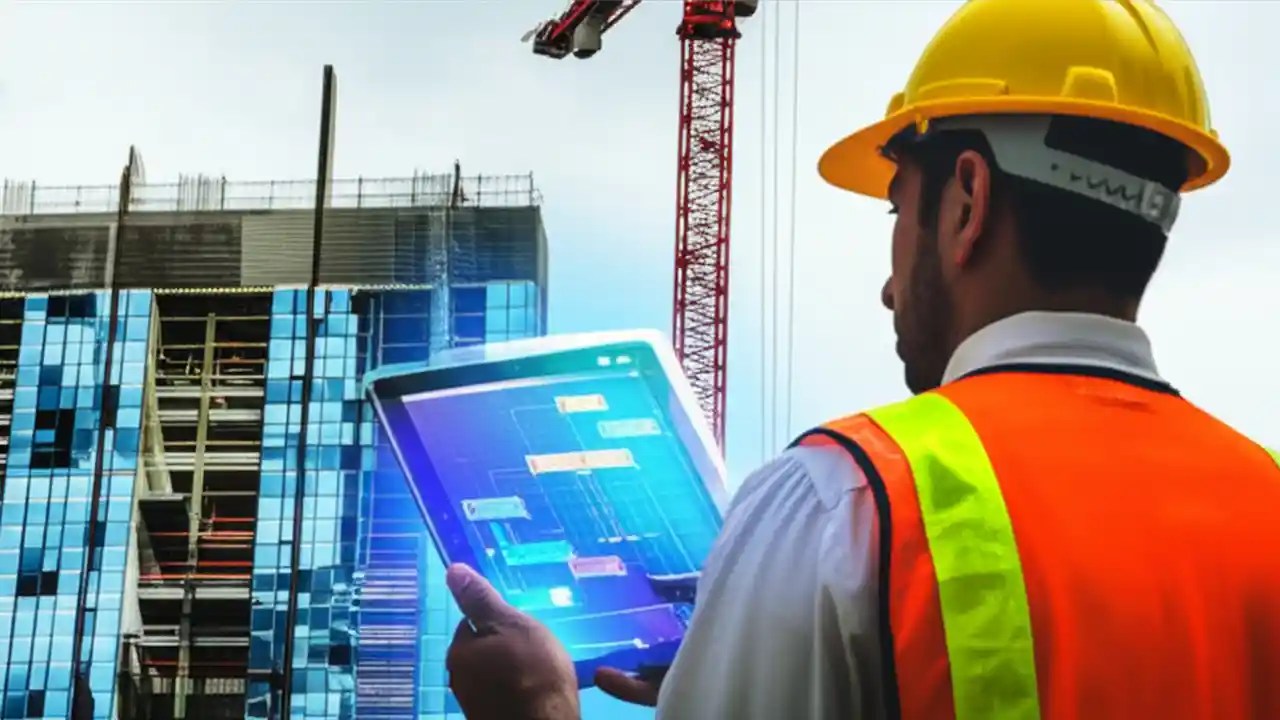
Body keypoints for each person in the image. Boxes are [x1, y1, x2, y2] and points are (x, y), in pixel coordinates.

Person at [445, 0, 1280, 718]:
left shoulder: (842, 499)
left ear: (968, 199)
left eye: (896, 208)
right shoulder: (1265, 496)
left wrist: (539, 707)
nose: (888, 287)